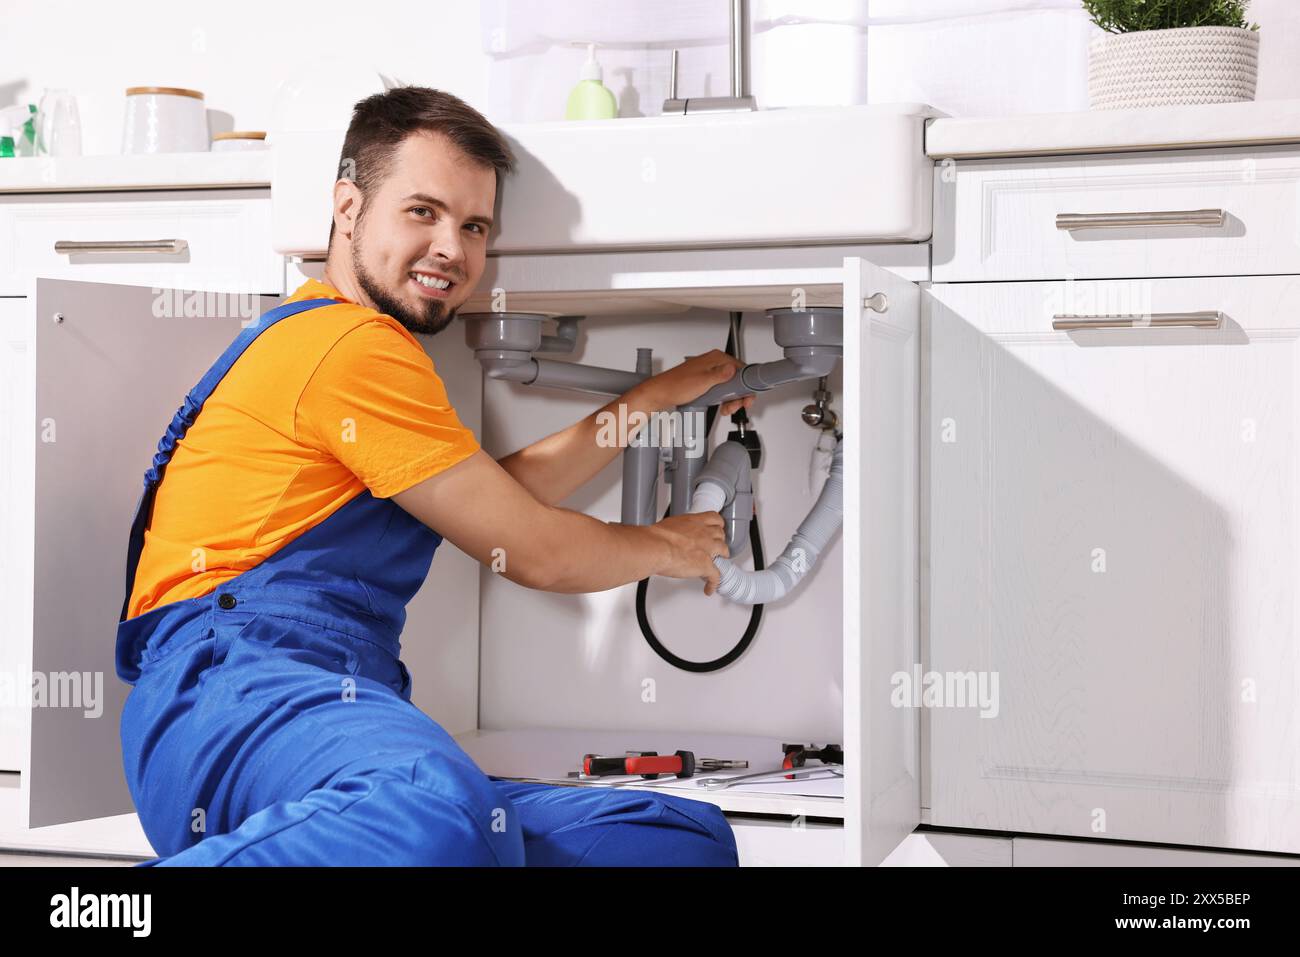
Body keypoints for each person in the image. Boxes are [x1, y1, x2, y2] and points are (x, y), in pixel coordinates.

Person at [114, 86, 753, 866]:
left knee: (671, 841)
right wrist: (665, 546)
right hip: (232, 694)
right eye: (423, 211)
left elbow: (502, 501)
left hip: (328, 710)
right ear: (348, 205)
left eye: (474, 225)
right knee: (432, 810)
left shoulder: (368, 355)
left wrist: (653, 398)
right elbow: (537, 551)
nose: (453, 246)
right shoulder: (347, 347)